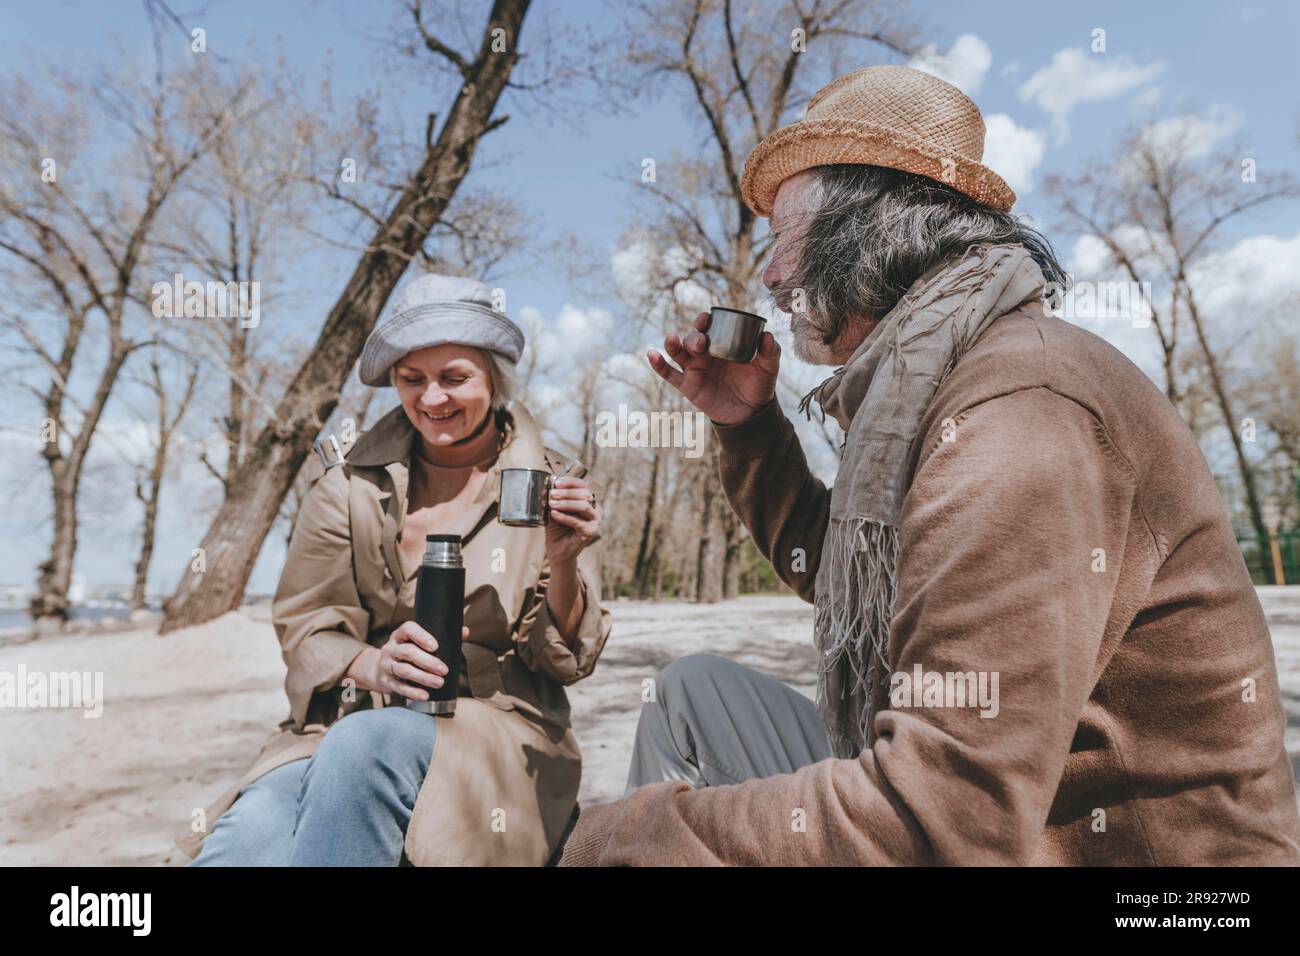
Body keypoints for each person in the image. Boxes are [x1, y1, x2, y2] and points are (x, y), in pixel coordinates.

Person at [559, 65, 1300, 865]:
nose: (769, 275)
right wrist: (750, 428)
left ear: (870, 227)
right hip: (1015, 809)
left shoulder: (1022, 407)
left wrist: (599, 841)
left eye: (782, 238)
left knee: (648, 833)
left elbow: (945, 823)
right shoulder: (934, 379)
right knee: (693, 693)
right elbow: (852, 570)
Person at [180, 274, 611, 866]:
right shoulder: (346, 487)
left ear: (494, 377)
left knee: (367, 747)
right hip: (343, 722)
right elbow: (306, 628)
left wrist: (564, 562)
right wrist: (373, 664)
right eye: (412, 380)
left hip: (497, 730)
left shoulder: (553, 484)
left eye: (454, 377)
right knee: (245, 842)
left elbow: (568, 660)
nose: (432, 399)